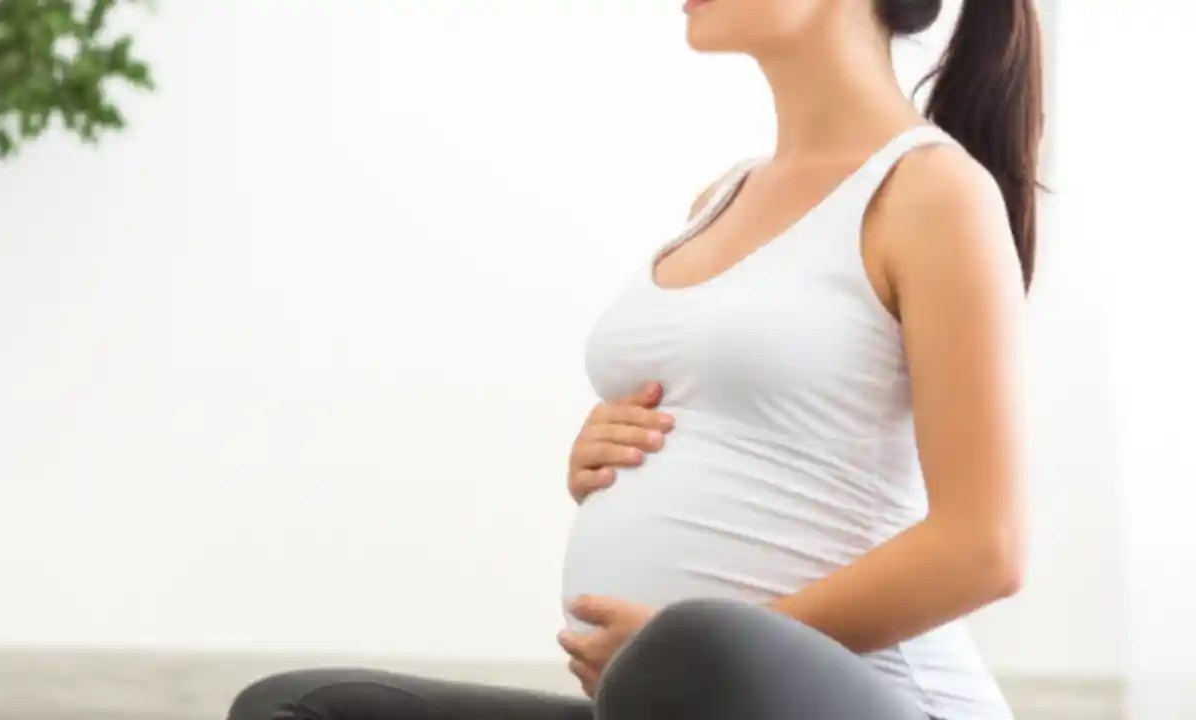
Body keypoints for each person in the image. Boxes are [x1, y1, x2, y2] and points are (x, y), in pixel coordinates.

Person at [228, 0, 1043, 717]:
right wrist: (617, 454)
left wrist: (673, 649)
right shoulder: (722, 198)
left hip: (860, 698)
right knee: (293, 709)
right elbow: (752, 414)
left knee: (697, 652)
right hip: (657, 702)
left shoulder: (933, 193)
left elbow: (985, 547)